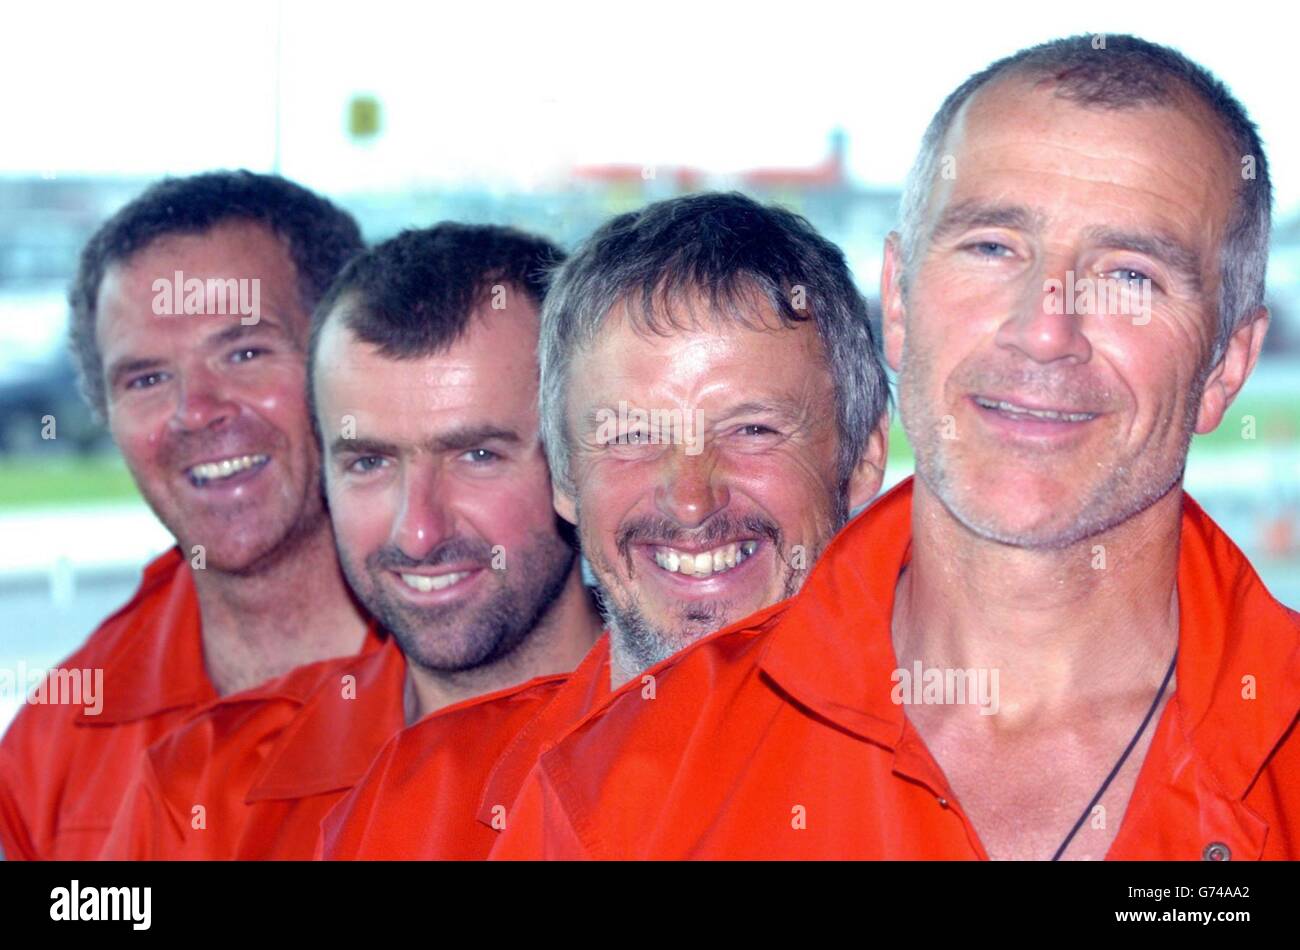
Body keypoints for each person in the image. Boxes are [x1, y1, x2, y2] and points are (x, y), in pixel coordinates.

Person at [490, 34, 1299, 860]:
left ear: (1226, 363)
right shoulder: (615, 795)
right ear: (902, 303)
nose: (1045, 331)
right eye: (992, 249)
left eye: (1131, 275)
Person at [319, 191, 891, 858]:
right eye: (632, 435)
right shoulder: (408, 812)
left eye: (751, 429)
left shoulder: (962, 781)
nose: (690, 501)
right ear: (564, 477)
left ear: (863, 459)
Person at [100, 222, 603, 858]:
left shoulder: (713, 756)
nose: (418, 531)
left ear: (583, 459)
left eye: (477, 454)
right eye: (369, 463)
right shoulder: (199, 789)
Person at [0, 171, 369, 860]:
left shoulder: (487, 664)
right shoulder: (57, 744)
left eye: (245, 352)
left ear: (351, 363)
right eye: (146, 379)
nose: (195, 411)